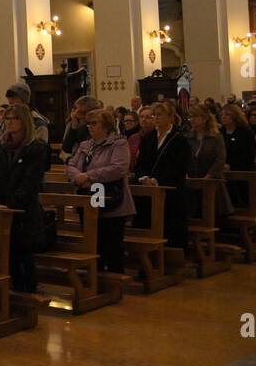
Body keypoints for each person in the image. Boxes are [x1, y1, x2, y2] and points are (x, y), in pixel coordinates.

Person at [0, 103, 48, 293]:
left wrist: (10, 205)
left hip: (23, 211)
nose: (10, 122)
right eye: (8, 118)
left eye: (15, 118)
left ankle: (27, 292)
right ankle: (9, 292)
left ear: (25, 121)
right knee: (6, 254)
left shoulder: (36, 147)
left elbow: (31, 182)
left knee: (23, 254)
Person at [66, 108, 134, 276]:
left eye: (94, 123)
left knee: (111, 243)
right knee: (92, 241)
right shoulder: (85, 145)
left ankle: (115, 279)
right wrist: (78, 177)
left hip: (111, 198)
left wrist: (88, 176)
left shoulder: (119, 143)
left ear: (106, 125)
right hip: (88, 199)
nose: (90, 127)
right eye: (88, 123)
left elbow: (118, 168)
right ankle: (95, 277)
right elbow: (71, 166)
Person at [135, 100, 191, 250]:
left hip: (171, 189)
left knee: (171, 225)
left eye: (159, 115)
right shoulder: (148, 138)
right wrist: (144, 178)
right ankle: (147, 253)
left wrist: (157, 180)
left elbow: (179, 166)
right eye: (154, 115)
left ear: (170, 117)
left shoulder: (179, 139)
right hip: (148, 190)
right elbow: (141, 162)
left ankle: (173, 254)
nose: (156, 118)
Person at [187, 103, 230, 221]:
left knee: (213, 211)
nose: (192, 120)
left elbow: (220, 158)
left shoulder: (216, 136)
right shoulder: (189, 137)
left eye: (195, 117)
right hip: (193, 177)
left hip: (211, 178)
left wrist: (210, 175)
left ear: (205, 118)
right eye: (190, 117)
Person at [60, 96, 102, 161]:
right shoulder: (80, 127)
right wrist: (74, 126)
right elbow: (66, 148)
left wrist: (68, 160)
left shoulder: (99, 127)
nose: (76, 113)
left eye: (80, 111)